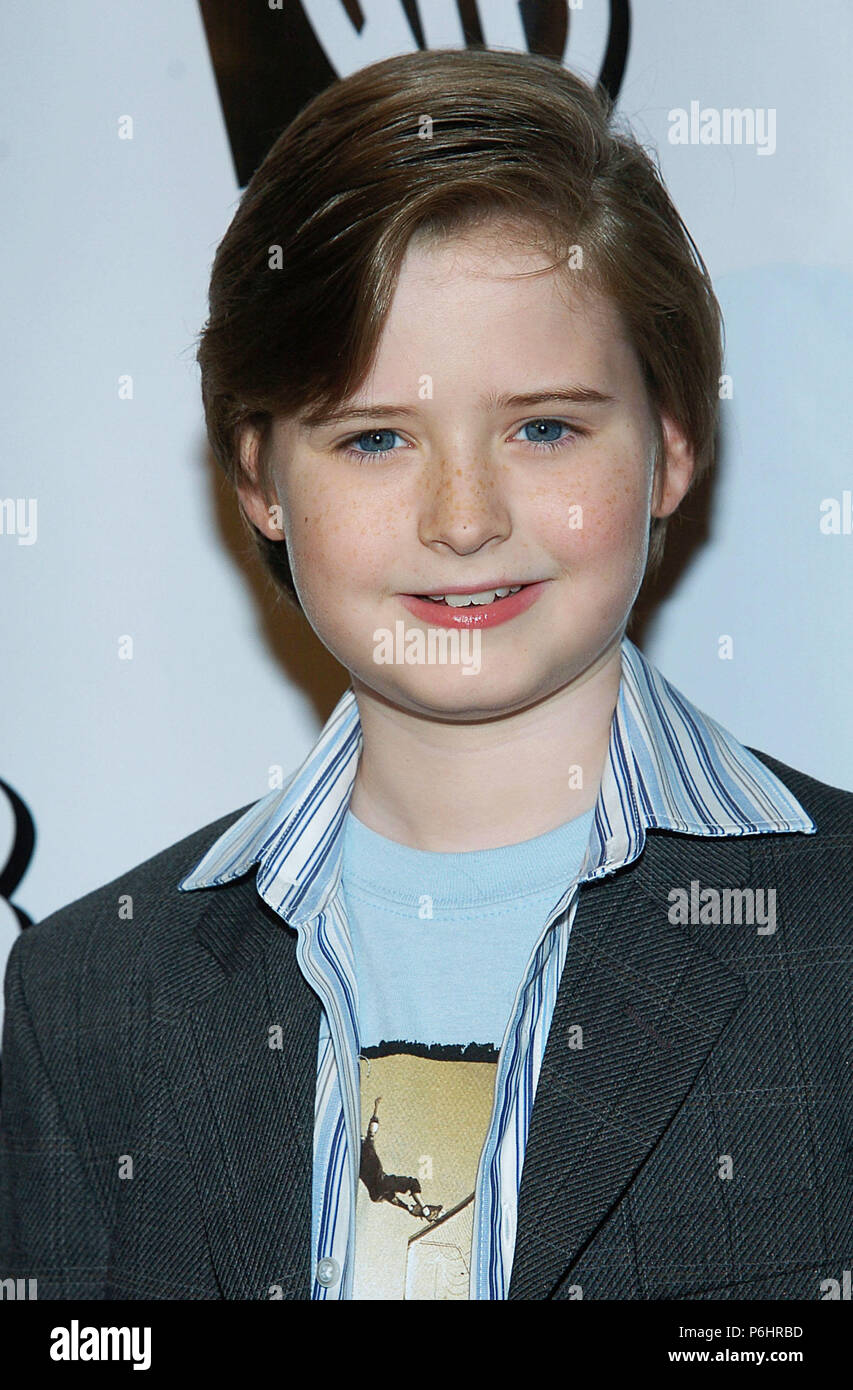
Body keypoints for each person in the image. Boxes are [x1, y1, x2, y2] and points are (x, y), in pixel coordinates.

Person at [1, 47, 850, 1302]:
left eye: (544, 427)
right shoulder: (90, 997)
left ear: (672, 444)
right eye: (377, 437)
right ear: (258, 479)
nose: (463, 518)